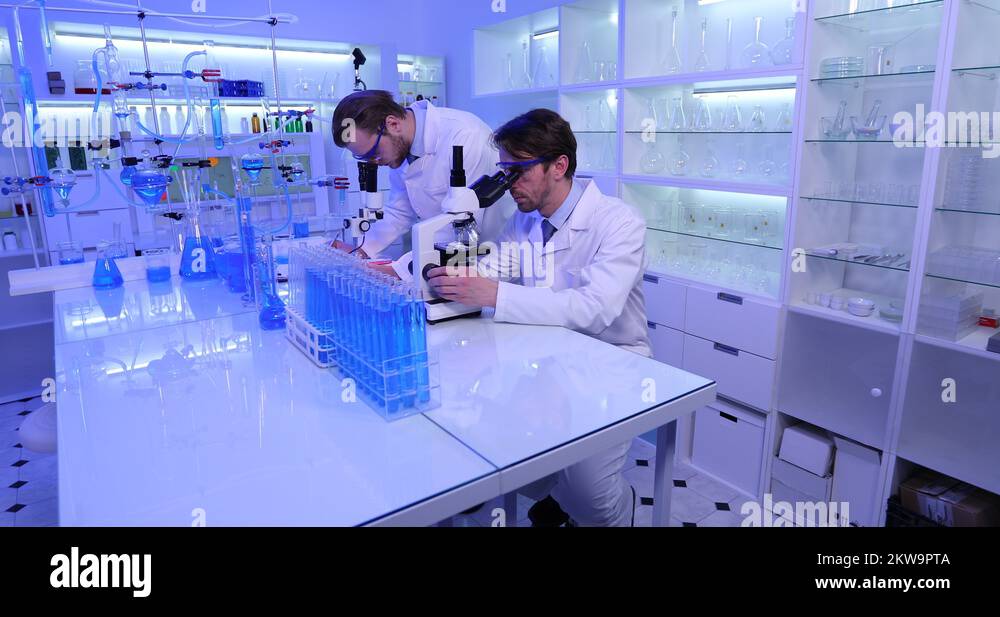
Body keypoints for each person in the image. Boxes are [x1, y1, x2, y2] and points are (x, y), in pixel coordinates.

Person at [427, 109, 652, 527]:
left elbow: (594, 308)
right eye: (504, 171)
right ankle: (557, 499)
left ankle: (613, 508)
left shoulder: (619, 223)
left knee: (593, 499)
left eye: (518, 171)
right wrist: (443, 272)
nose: (509, 184)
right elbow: (498, 266)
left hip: (612, 362)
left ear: (559, 166)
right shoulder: (525, 219)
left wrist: (492, 293)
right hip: (548, 355)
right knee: (507, 450)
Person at [331, 90, 514, 278]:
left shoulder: (465, 136)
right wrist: (360, 251)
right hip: (450, 262)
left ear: (393, 124)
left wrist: (399, 269)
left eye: (374, 153)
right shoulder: (401, 147)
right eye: (364, 158)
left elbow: (462, 225)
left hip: (492, 261)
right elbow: (400, 211)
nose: (374, 162)